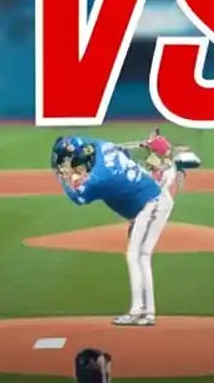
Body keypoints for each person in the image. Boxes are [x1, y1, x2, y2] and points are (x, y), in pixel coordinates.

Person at [51, 135, 173, 326]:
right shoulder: (102, 146)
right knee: (141, 256)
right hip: (152, 201)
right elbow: (122, 153)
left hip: (151, 205)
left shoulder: (100, 178)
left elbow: (78, 198)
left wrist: (63, 178)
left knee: (136, 256)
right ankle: (146, 313)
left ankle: (139, 312)